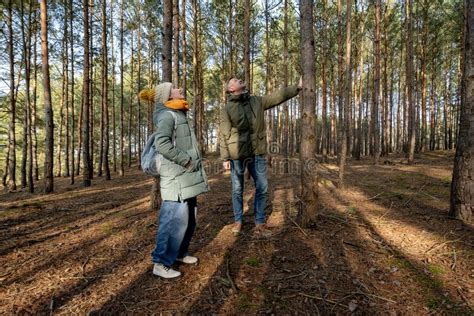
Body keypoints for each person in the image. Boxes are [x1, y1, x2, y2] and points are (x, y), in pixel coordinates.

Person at [139, 82, 209, 279]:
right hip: (177, 178)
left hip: (186, 177)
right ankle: (161, 263)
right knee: (173, 222)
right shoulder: (167, 115)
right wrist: (185, 160)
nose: (180, 89)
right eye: (175, 88)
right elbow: (162, 143)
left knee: (189, 220)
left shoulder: (178, 113)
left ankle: (179, 253)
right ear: (168, 97)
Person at [220, 77, 301, 236]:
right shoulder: (226, 109)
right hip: (237, 154)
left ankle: (259, 222)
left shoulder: (256, 101)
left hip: (257, 152)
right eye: (236, 80)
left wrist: (296, 88)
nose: (240, 79)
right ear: (231, 89)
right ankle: (238, 220)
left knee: (262, 187)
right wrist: (225, 158)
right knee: (237, 189)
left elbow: (277, 97)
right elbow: (224, 134)